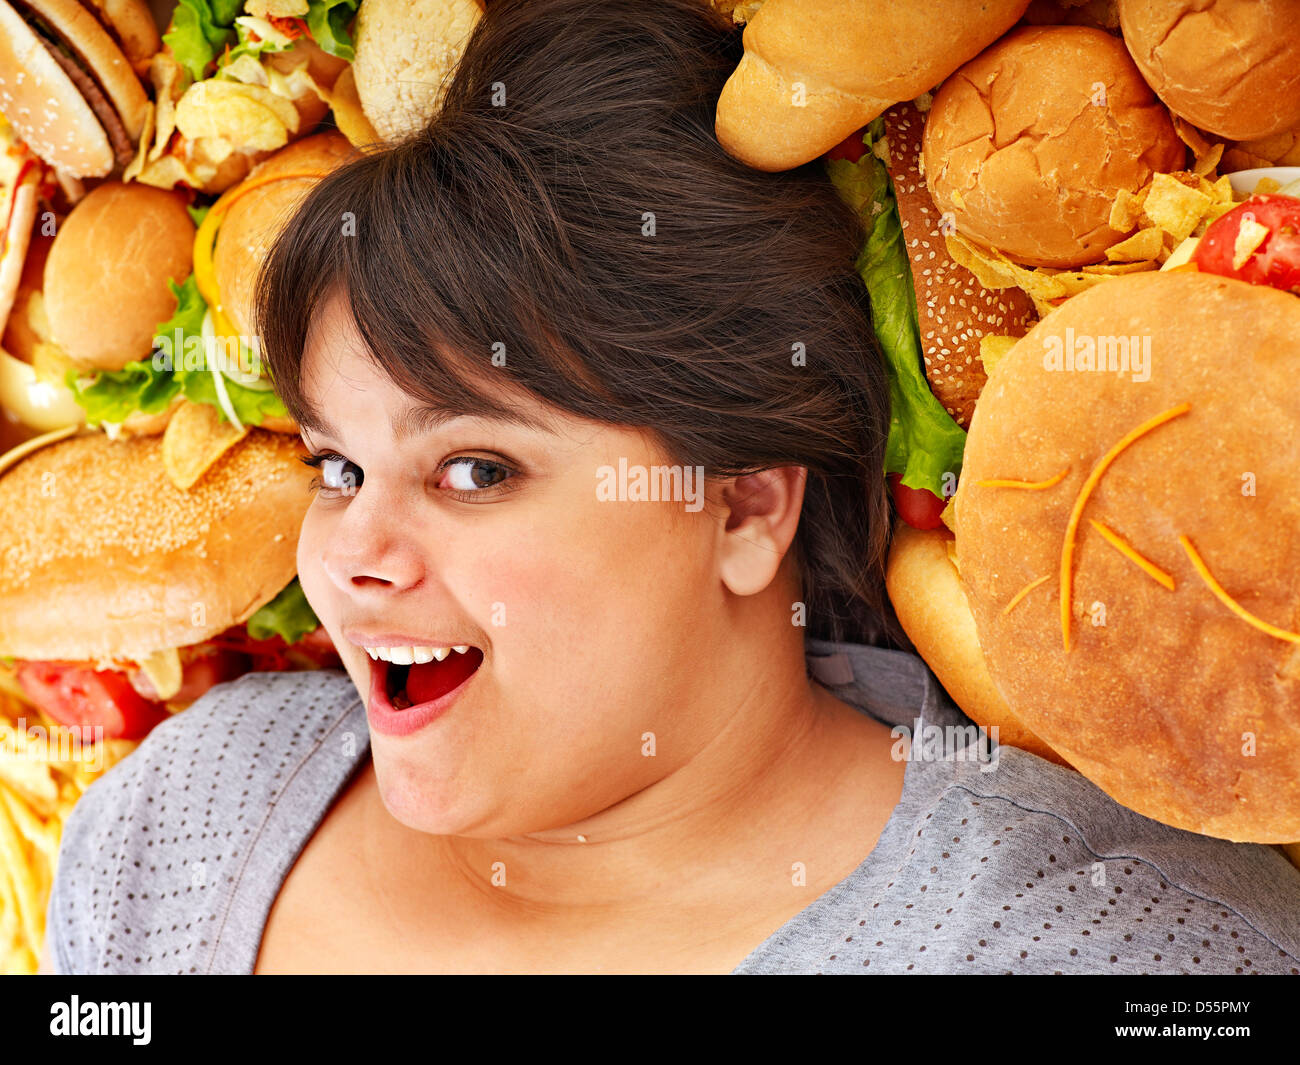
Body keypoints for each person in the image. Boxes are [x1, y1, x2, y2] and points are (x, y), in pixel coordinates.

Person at [46, 0, 1300, 974]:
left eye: (475, 468)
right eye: (337, 467)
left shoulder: (1103, 940)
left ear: (748, 505)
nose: (348, 556)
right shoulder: (176, 807)